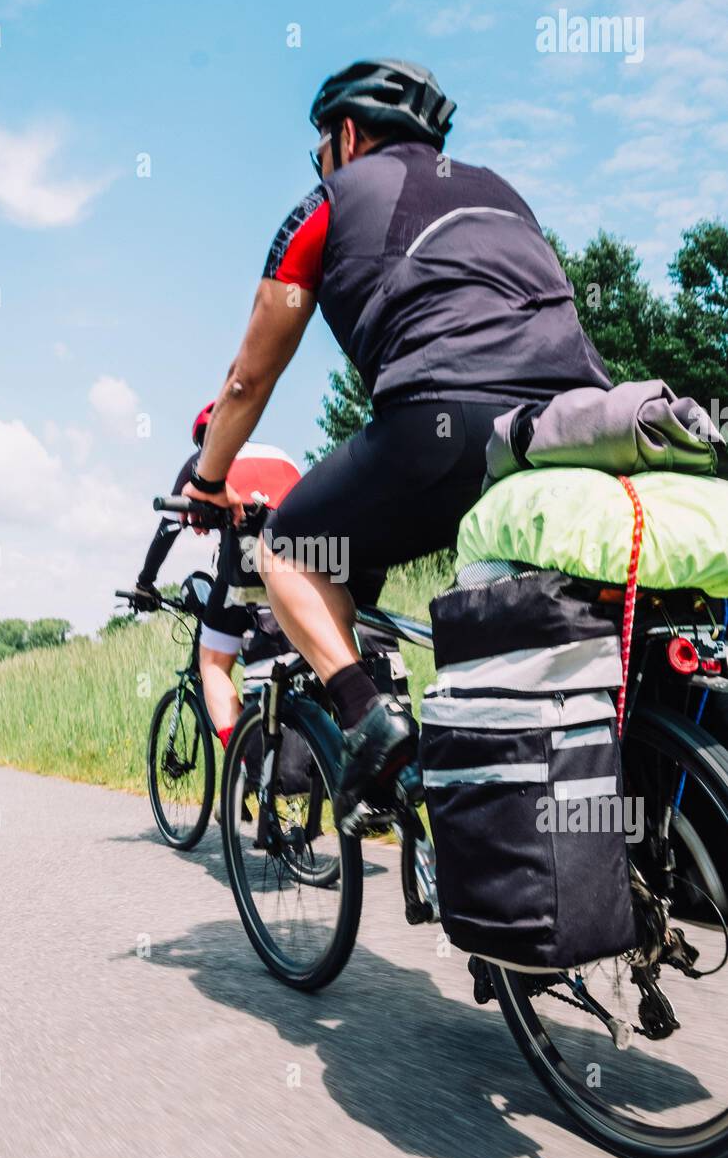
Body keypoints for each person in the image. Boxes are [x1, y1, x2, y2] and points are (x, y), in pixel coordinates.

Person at [183, 58, 613, 831]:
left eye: (320, 148)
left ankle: (369, 721)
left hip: (444, 424)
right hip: (580, 424)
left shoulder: (330, 201)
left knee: (287, 551)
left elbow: (248, 379)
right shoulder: (503, 193)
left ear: (346, 137)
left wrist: (209, 479)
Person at [135, 402, 300, 747]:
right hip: (310, 556)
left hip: (251, 561)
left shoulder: (203, 463)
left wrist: (145, 583)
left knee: (211, 661)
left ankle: (241, 763)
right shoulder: (280, 456)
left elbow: (168, 529)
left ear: (203, 440)